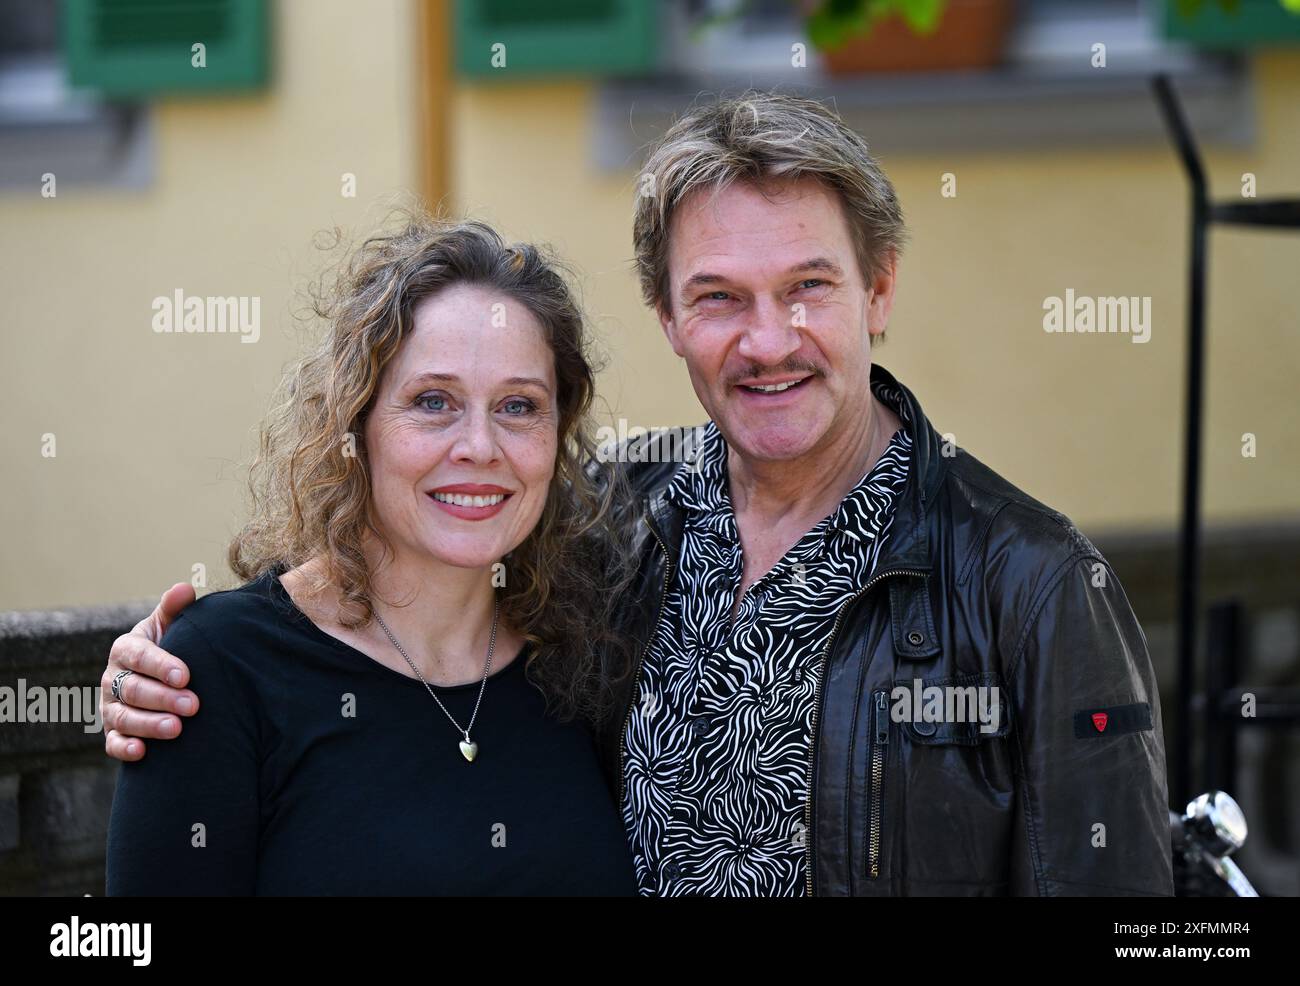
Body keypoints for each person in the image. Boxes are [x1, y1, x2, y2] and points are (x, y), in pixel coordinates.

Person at [103, 92, 1173, 896]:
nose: (766, 340)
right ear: (666, 316)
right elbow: (396, 590)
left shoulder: (1030, 585)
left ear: (878, 288)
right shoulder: (613, 525)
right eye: (717, 296)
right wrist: (175, 664)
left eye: (808, 285)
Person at [106, 218, 638, 895]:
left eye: (518, 406)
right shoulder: (220, 672)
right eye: (433, 401)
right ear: (355, 424)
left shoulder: (587, 655)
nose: (480, 445)